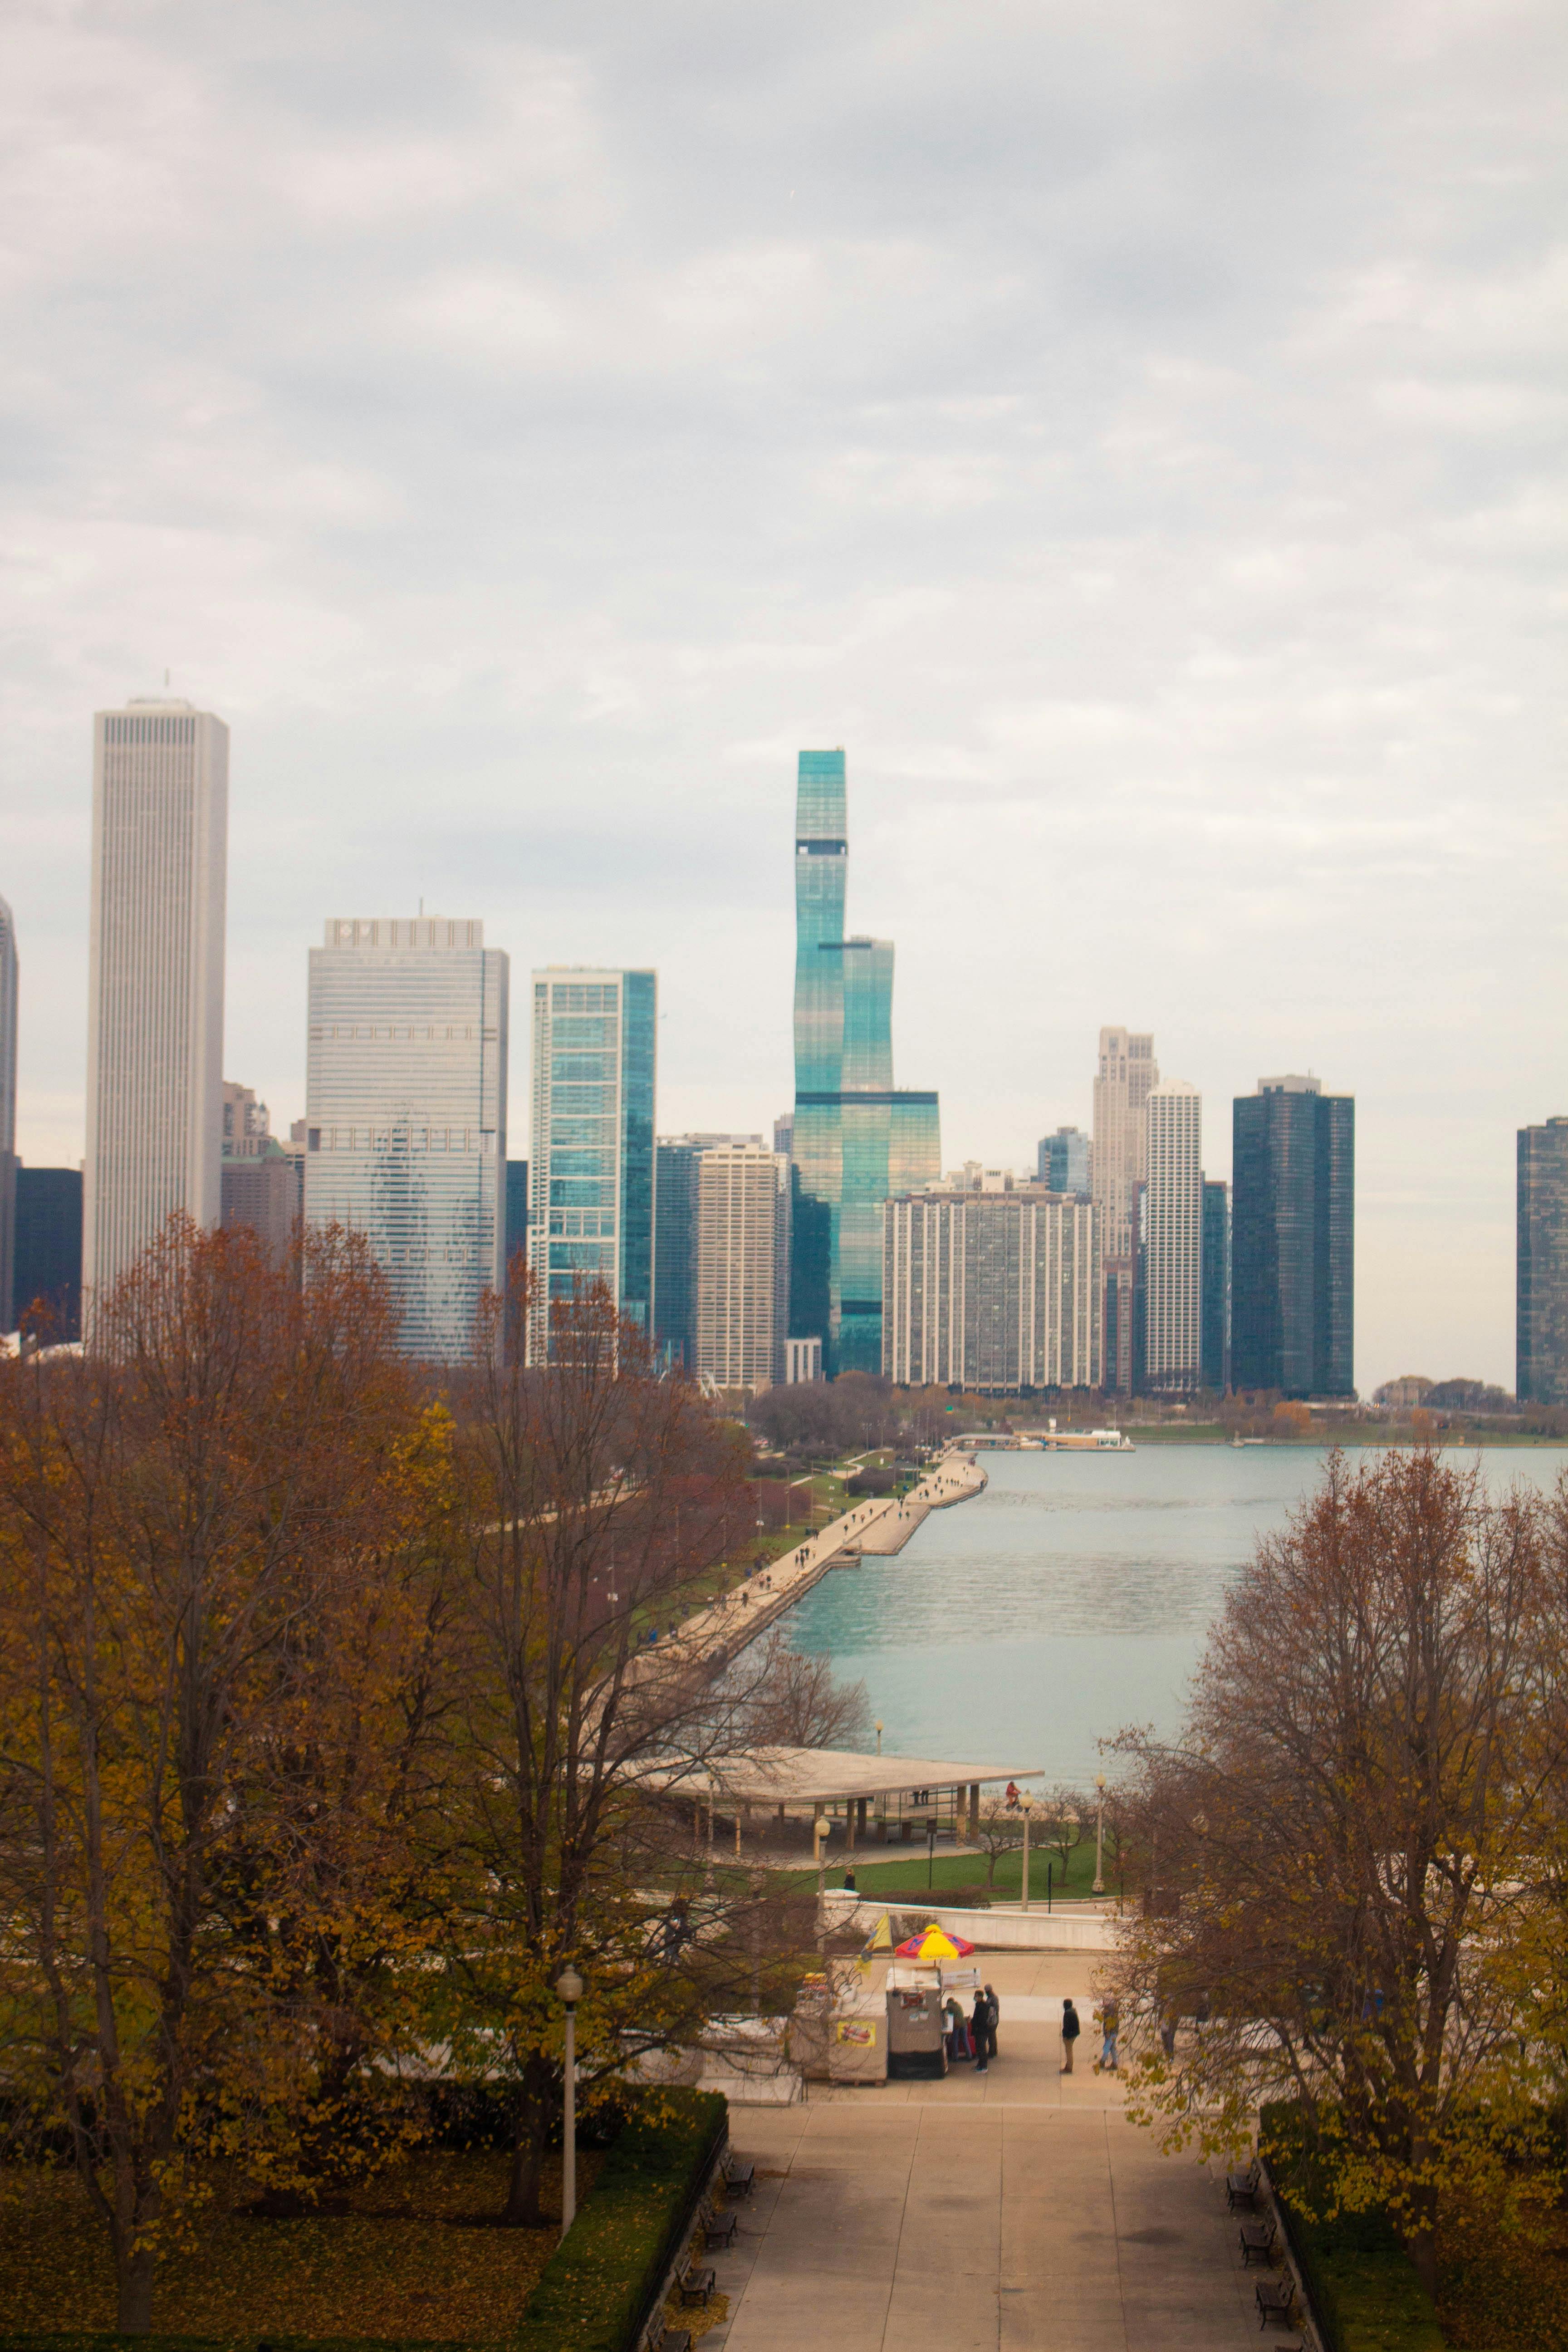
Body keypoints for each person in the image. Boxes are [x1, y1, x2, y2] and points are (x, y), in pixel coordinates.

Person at [1093, 1994, 1119, 2073]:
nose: (1103, 2003)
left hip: (1111, 2033)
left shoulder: (1109, 2010)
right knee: (1112, 2048)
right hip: (1114, 2032)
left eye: (1104, 2001)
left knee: (1107, 2047)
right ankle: (1115, 2063)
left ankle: (1102, 2062)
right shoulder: (1113, 2009)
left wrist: (1108, 2032)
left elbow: (1109, 2022)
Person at [972, 1986, 993, 2073]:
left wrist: (975, 2024)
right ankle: (980, 2065)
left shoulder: (983, 2006)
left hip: (982, 2031)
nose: (975, 1998)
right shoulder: (978, 2005)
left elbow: (981, 2020)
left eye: (976, 1996)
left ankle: (984, 2067)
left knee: (982, 2049)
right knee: (979, 2048)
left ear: (980, 1997)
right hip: (979, 2031)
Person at [1060, 1995, 1081, 2074]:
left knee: (1069, 2052)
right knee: (1069, 2051)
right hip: (1074, 2033)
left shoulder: (1068, 2013)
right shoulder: (1073, 2011)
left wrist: (1065, 2035)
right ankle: (1068, 2066)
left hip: (1070, 2035)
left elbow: (1067, 2026)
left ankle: (1069, 2067)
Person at [982, 1982, 1000, 2064]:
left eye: (987, 1991)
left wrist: (989, 2011)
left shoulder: (994, 1998)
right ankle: (994, 2051)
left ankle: (992, 2052)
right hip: (992, 2019)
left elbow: (996, 2009)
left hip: (993, 2020)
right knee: (993, 2035)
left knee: (991, 2036)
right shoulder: (990, 1997)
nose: (987, 1992)